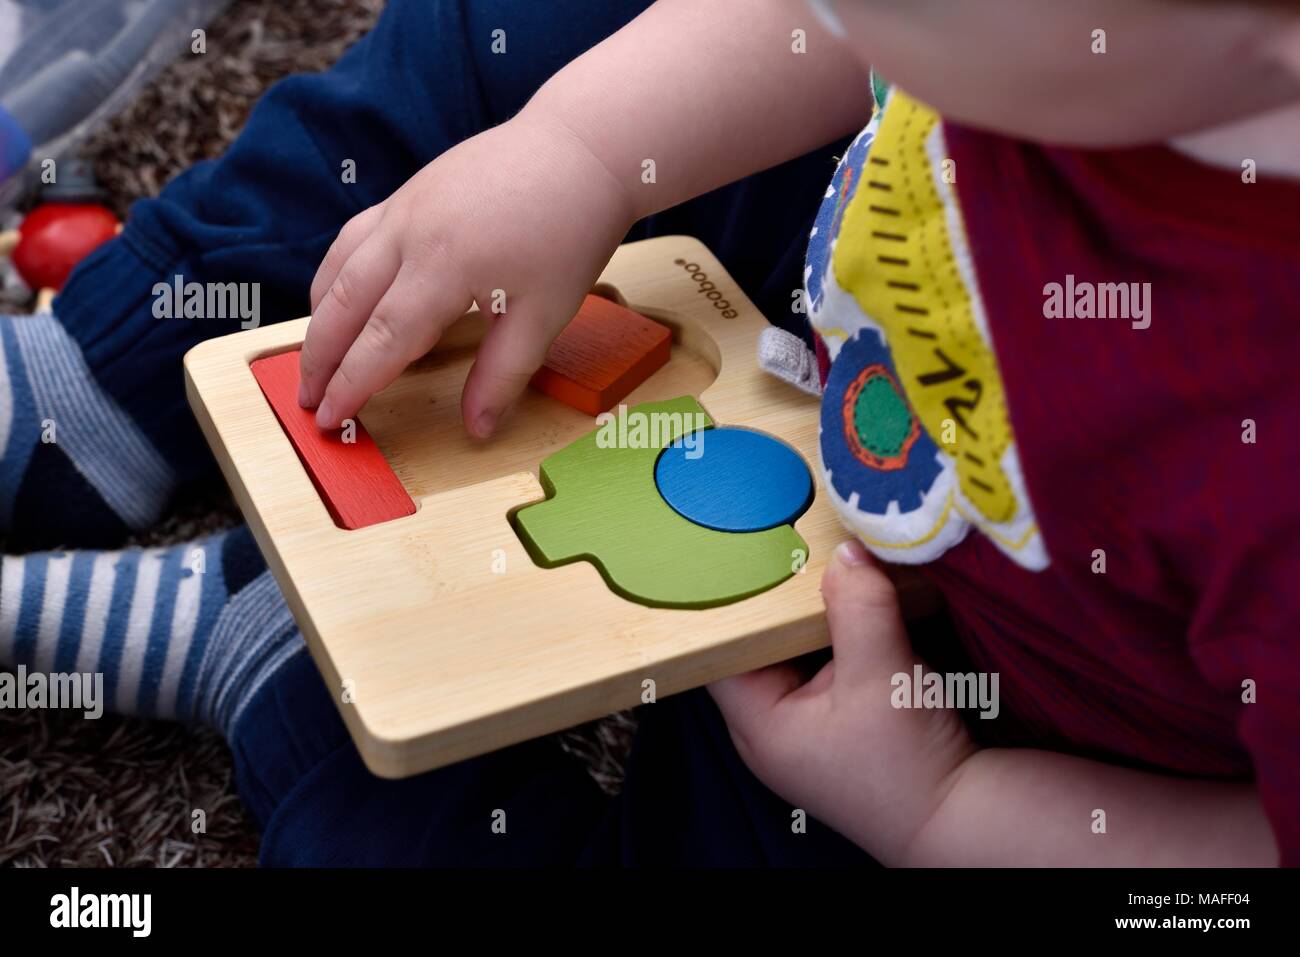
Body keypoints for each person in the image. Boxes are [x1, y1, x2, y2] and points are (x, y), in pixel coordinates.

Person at [3, 0, 1297, 864]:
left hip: (948, 722)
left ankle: (279, 669)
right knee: (543, 35)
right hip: (838, 283)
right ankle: (99, 387)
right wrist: (577, 148)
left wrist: (948, 812)